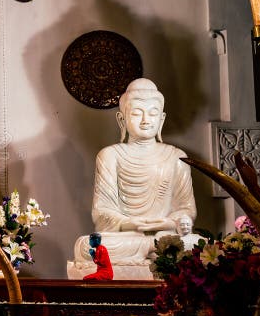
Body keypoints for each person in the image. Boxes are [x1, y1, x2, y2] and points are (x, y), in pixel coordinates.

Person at [73, 78, 197, 267]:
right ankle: (157, 249)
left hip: (165, 232)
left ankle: (159, 247)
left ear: (161, 119)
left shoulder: (176, 157)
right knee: (86, 246)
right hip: (127, 236)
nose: (146, 120)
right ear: (122, 119)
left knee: (196, 244)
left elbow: (186, 208)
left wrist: (179, 220)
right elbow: (101, 212)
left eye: (153, 114)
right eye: (137, 114)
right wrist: (133, 224)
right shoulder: (109, 156)